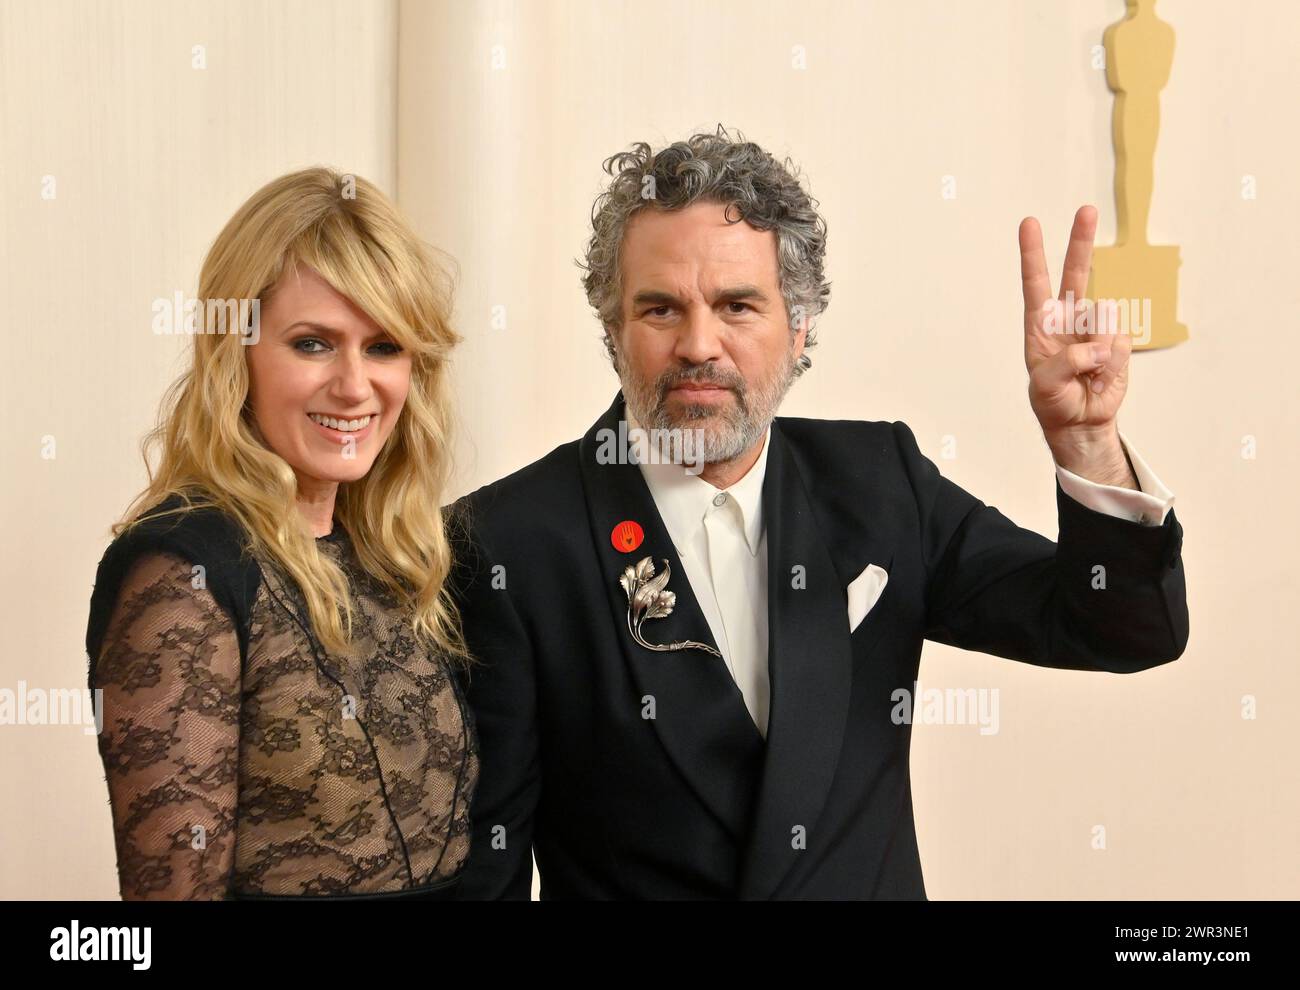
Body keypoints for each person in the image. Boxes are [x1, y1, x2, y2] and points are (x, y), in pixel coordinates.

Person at [448, 127, 1188, 900]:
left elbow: (1121, 630)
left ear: (799, 326)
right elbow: (485, 873)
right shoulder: (503, 544)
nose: (700, 345)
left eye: (738, 305)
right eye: (661, 309)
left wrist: (1087, 442)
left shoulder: (880, 483)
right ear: (613, 332)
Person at [86, 167, 477, 899]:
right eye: (312, 344)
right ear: (238, 353)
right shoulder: (181, 571)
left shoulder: (391, 555)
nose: (356, 386)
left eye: (385, 346)